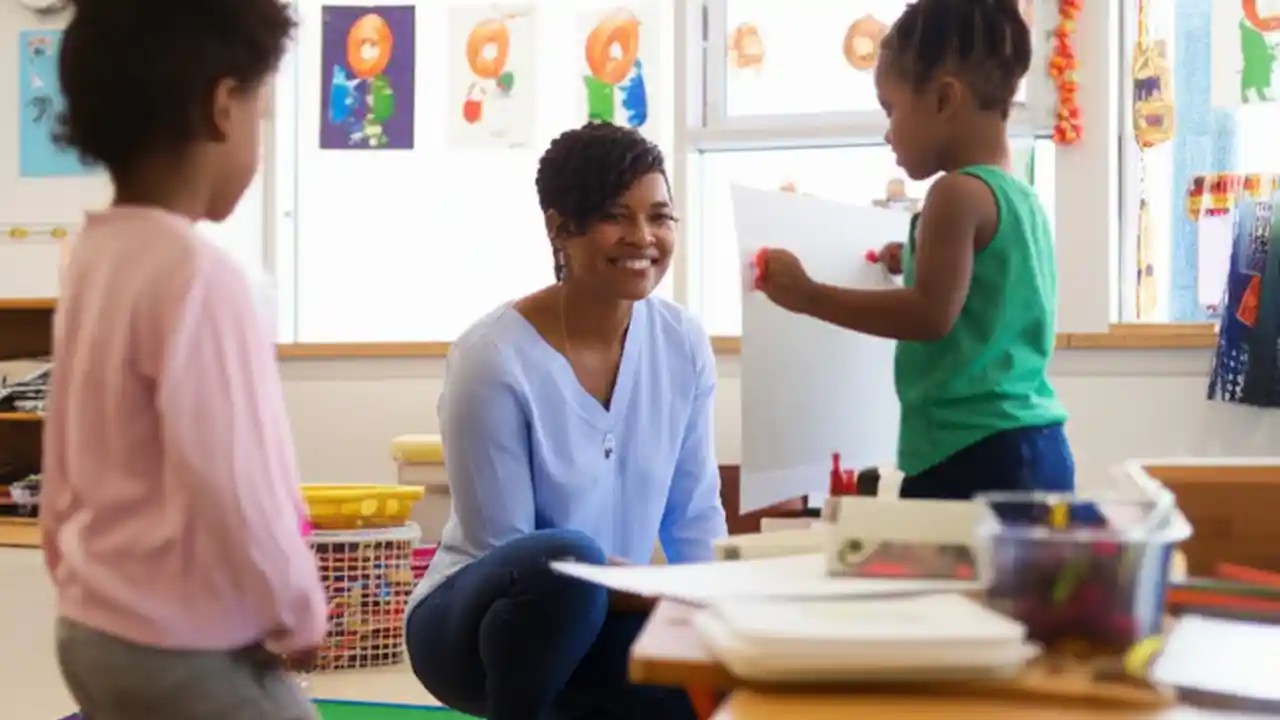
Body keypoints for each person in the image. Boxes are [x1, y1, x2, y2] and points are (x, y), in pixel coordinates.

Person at [40, 2, 324, 719]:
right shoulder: (201, 276)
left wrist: (73, 575)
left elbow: (65, 449)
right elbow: (237, 481)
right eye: (261, 113)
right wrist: (297, 611)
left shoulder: (94, 259)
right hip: (180, 641)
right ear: (224, 106)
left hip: (92, 628)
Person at [404, 123, 727, 720]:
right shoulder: (492, 357)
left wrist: (718, 609)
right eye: (615, 216)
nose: (643, 237)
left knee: (712, 675)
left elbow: (696, 515)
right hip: (479, 627)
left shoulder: (681, 342)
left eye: (660, 217)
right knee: (565, 561)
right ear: (559, 228)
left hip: (611, 613)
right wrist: (660, 592)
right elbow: (509, 550)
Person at [754, 0, 1073, 500]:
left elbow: (930, 314)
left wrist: (809, 295)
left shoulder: (955, 193)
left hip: (972, 453)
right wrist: (913, 255)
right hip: (1034, 445)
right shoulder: (1019, 197)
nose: (887, 131)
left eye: (891, 108)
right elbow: (986, 290)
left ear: (945, 100)